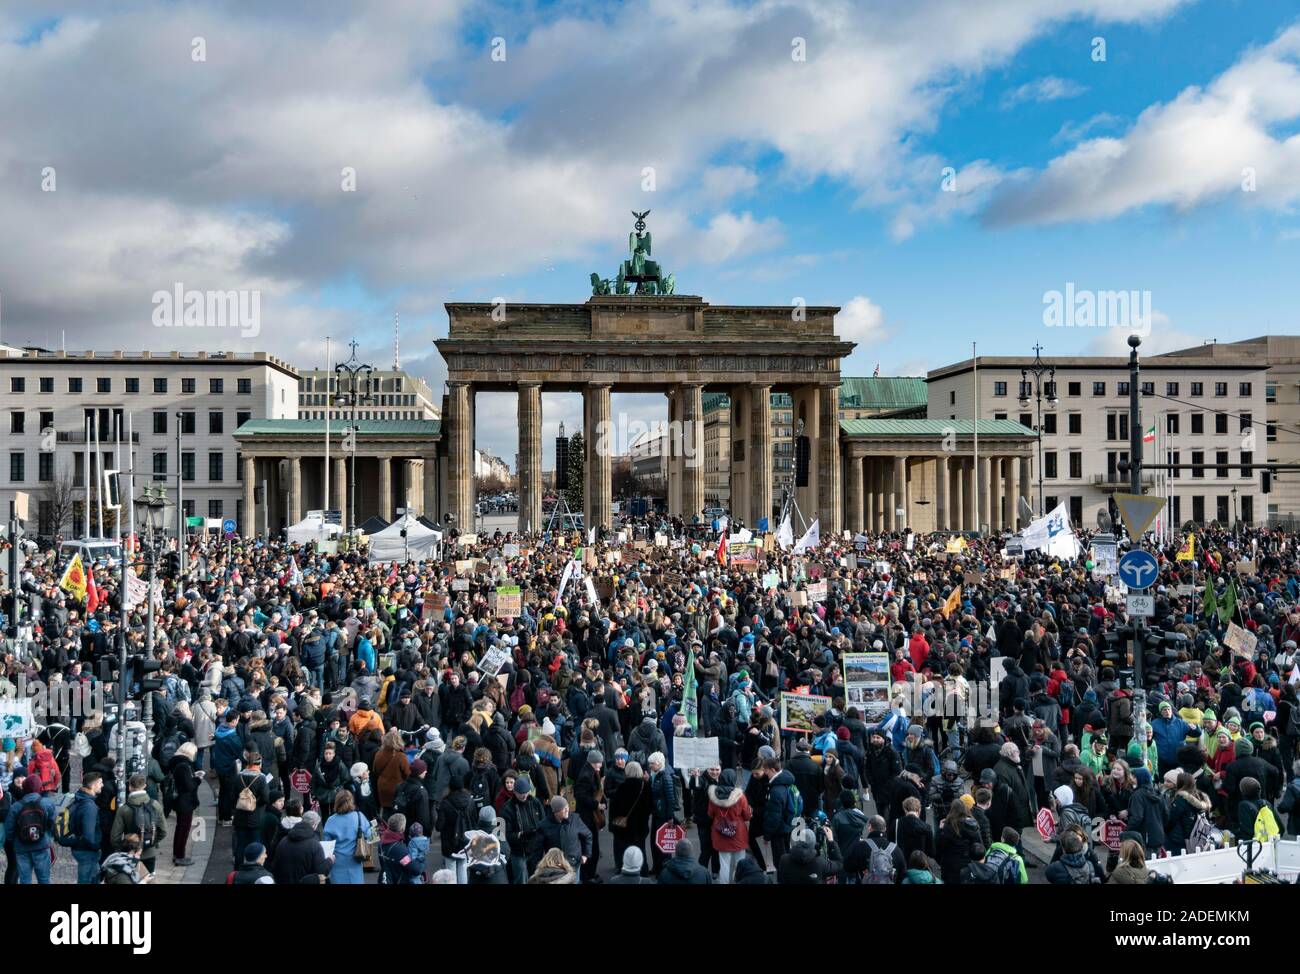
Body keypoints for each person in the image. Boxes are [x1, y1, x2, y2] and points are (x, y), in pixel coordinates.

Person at [111, 773, 167, 876]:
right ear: (145, 786)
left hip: (130, 853)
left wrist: (125, 849)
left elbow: (115, 837)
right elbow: (163, 831)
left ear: (130, 787)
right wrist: (150, 842)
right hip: (150, 853)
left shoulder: (124, 809)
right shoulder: (155, 805)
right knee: (149, 879)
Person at [5, 776, 56, 884]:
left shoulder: (15, 806)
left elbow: (9, 829)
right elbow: (53, 824)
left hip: (21, 848)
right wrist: (48, 836)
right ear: (39, 787)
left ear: (24, 788)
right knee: (44, 879)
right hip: (42, 845)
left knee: (24, 880)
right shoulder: (48, 803)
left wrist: (15, 841)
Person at [707, 767, 752, 884]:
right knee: (740, 863)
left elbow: (710, 814)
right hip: (738, 834)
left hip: (720, 833)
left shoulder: (713, 796)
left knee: (724, 864)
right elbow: (747, 815)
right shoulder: (740, 797)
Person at [62, 771, 105, 884]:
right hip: (86, 850)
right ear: (93, 785)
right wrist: (97, 846)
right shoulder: (89, 807)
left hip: (80, 847)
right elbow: (88, 834)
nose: (102, 785)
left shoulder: (80, 798)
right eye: (100, 782)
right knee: (86, 880)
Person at [501, 773, 545, 882]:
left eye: (526, 792)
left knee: (536, 878)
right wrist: (521, 834)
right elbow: (505, 834)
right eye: (521, 793)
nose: (524, 795)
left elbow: (544, 822)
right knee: (521, 879)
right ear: (514, 792)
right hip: (519, 851)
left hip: (536, 850)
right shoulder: (507, 809)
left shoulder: (535, 802)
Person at [321, 790, 368, 885]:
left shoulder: (331, 820)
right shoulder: (359, 816)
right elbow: (368, 835)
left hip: (337, 861)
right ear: (351, 801)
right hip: (355, 859)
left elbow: (327, 842)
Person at [539, 794, 592, 876]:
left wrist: (586, 854)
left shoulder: (575, 819)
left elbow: (588, 835)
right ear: (556, 812)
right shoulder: (544, 826)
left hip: (574, 865)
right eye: (564, 808)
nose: (567, 809)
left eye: (567, 806)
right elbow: (538, 849)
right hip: (555, 868)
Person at [169, 742, 203, 866]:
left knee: (180, 828)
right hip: (185, 802)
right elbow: (188, 786)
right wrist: (198, 779)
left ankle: (177, 853)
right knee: (184, 829)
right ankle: (180, 856)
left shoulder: (175, 762)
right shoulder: (184, 766)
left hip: (179, 801)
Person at [935, 798, 983, 885]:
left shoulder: (947, 827)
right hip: (968, 865)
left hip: (949, 867)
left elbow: (938, 847)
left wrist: (939, 830)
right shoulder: (973, 825)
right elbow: (979, 845)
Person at [776, 824, 841, 885]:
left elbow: (780, 879)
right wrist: (831, 841)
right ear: (814, 845)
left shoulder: (783, 860)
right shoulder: (820, 863)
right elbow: (839, 864)